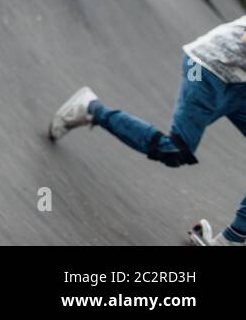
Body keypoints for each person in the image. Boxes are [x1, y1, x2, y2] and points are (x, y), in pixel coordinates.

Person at [50, 14, 246, 246]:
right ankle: (91, 109)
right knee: (175, 151)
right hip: (205, 67)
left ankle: (232, 240)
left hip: (239, 84)